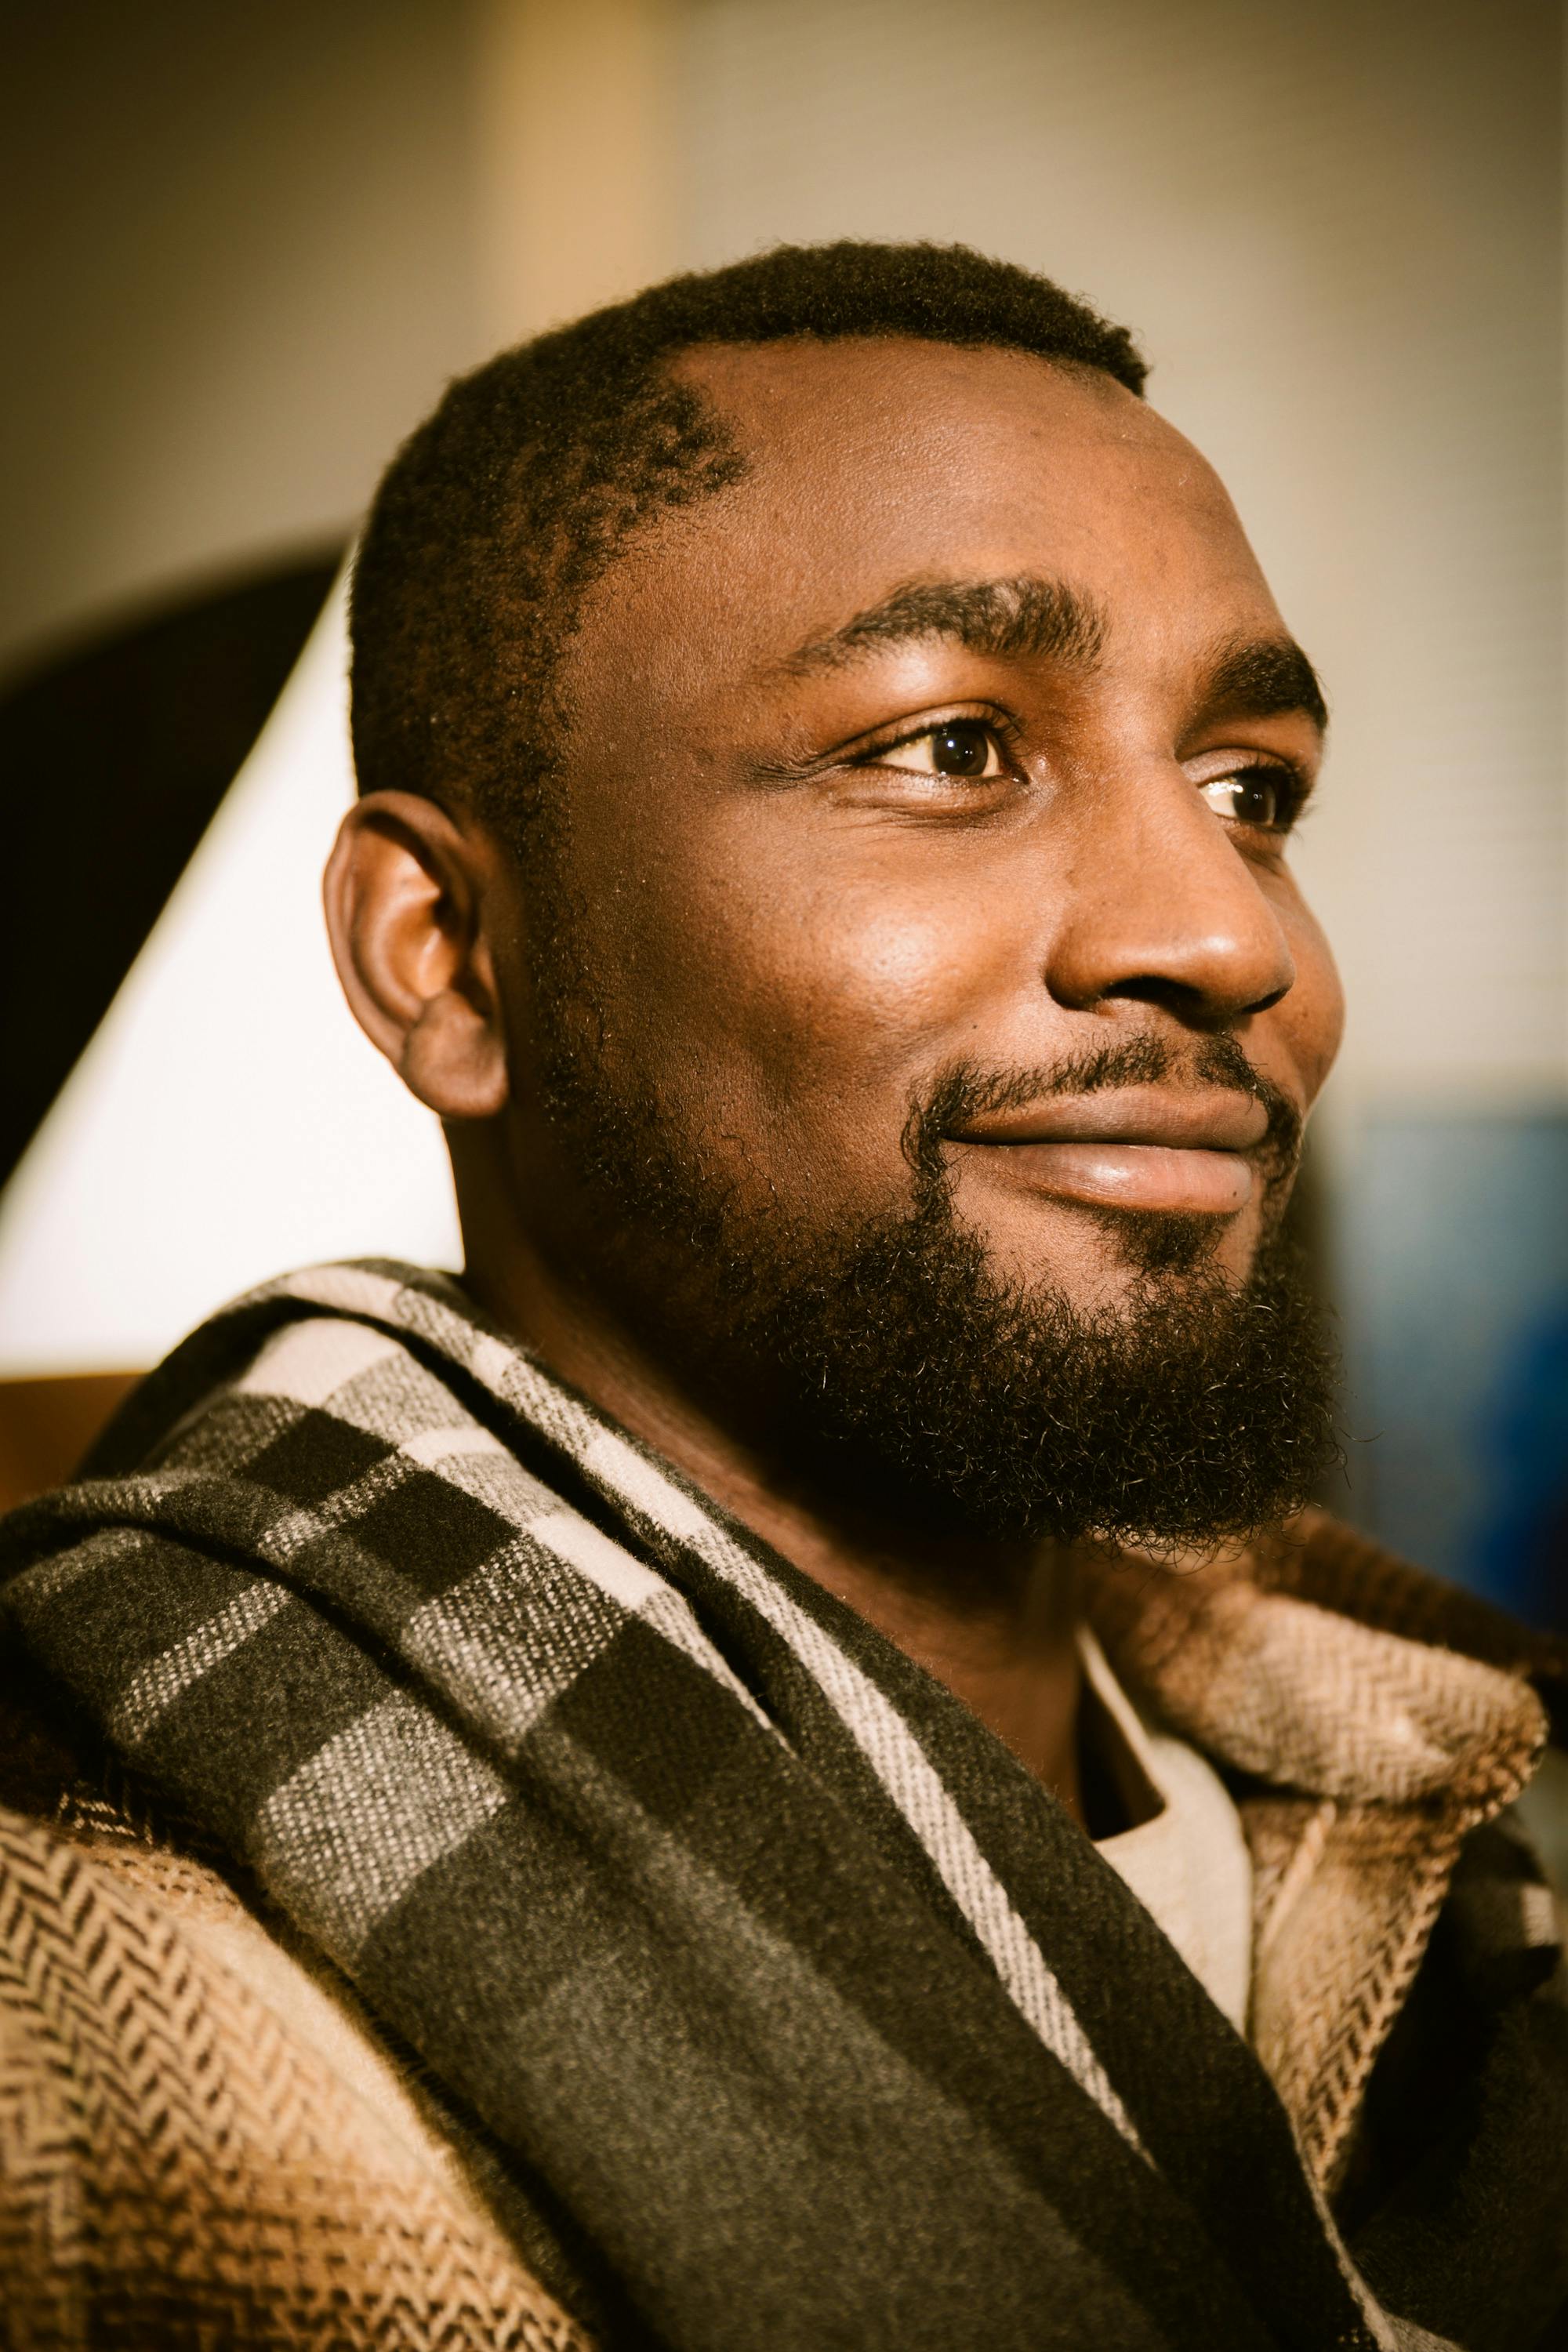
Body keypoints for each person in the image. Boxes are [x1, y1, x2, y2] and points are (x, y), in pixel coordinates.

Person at [2, 241, 1564, 2352]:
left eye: (1252, 790)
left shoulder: (1482, 1833)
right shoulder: (65, 1995)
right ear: (449, 957)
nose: (1227, 935)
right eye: (946, 748)